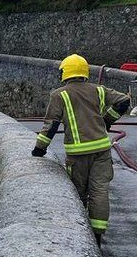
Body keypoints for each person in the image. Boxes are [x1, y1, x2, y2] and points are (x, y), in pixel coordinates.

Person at [32, 54, 130, 245]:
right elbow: (123, 101)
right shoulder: (99, 90)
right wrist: (107, 119)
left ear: (65, 73)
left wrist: (39, 149)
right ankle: (98, 234)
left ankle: (81, 235)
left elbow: (51, 126)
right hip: (102, 150)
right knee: (99, 191)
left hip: (77, 154)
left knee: (78, 193)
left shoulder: (59, 95)